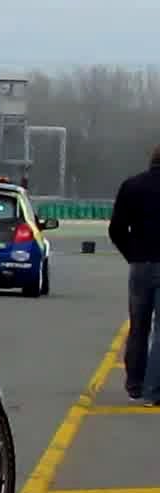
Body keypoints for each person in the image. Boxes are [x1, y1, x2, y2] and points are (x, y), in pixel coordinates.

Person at [109, 145, 160, 406]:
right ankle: (154, 390)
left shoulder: (132, 186)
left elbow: (116, 228)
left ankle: (135, 385)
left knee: (139, 326)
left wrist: (134, 254)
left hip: (140, 264)